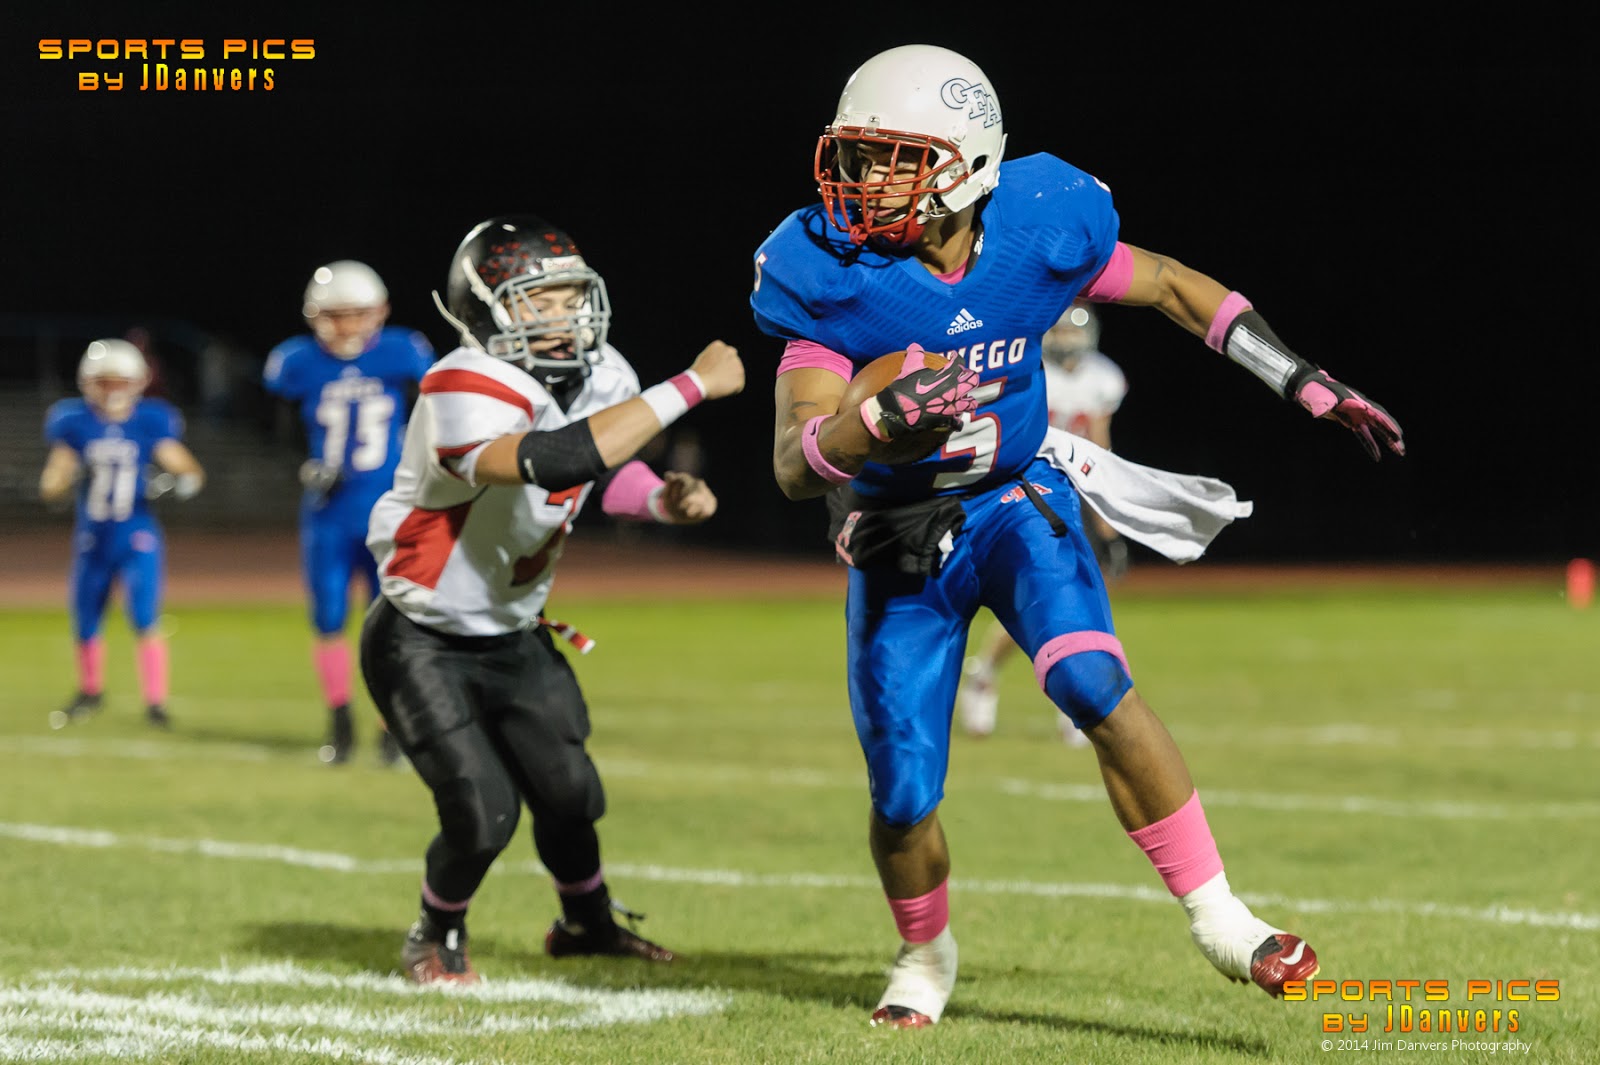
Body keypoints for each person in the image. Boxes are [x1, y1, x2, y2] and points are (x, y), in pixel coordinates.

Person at [751, 44, 1404, 1028]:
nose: (862, 181)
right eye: (857, 155)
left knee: (1093, 681)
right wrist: (873, 423)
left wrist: (1298, 377)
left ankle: (1221, 916)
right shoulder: (827, 270)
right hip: (897, 536)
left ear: (969, 165)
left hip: (1018, 498)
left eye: (894, 159)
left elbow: (1172, 286)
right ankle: (924, 953)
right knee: (903, 795)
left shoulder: (1041, 222)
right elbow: (795, 461)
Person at [359, 215, 745, 985]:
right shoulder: (460, 382)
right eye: (541, 301)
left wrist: (660, 500)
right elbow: (550, 458)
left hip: (513, 628)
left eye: (572, 297)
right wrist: (692, 385)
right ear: (485, 309)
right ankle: (434, 933)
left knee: (571, 791)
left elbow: (599, 473)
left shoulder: (604, 373)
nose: (565, 315)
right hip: (423, 637)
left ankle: (586, 925)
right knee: (483, 810)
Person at [263, 261, 436, 766]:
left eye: (357, 314)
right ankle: (339, 720)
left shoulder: (403, 352)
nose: (346, 326)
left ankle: (390, 726)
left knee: (391, 624)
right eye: (335, 315)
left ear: (379, 312)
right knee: (329, 619)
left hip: (391, 509)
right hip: (328, 514)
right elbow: (278, 431)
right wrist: (303, 466)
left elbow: (434, 419)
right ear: (314, 316)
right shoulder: (296, 362)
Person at [958, 300, 1129, 745]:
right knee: (1039, 596)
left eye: (1074, 332)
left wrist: (1108, 522)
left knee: (1081, 596)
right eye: (1060, 332)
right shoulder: (1028, 370)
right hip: (1027, 489)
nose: (1067, 340)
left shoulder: (1103, 378)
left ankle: (1077, 694)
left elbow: (1100, 447)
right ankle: (989, 673)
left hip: (1075, 490)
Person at [39, 338, 207, 731]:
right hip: (92, 537)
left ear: (137, 382)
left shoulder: (151, 420)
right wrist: (66, 479)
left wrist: (173, 484)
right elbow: (51, 483)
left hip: (137, 535)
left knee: (145, 617)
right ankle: (90, 691)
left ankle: (156, 702)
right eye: (104, 381)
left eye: (119, 381)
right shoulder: (73, 420)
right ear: (87, 382)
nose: (112, 390)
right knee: (86, 617)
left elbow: (190, 472)